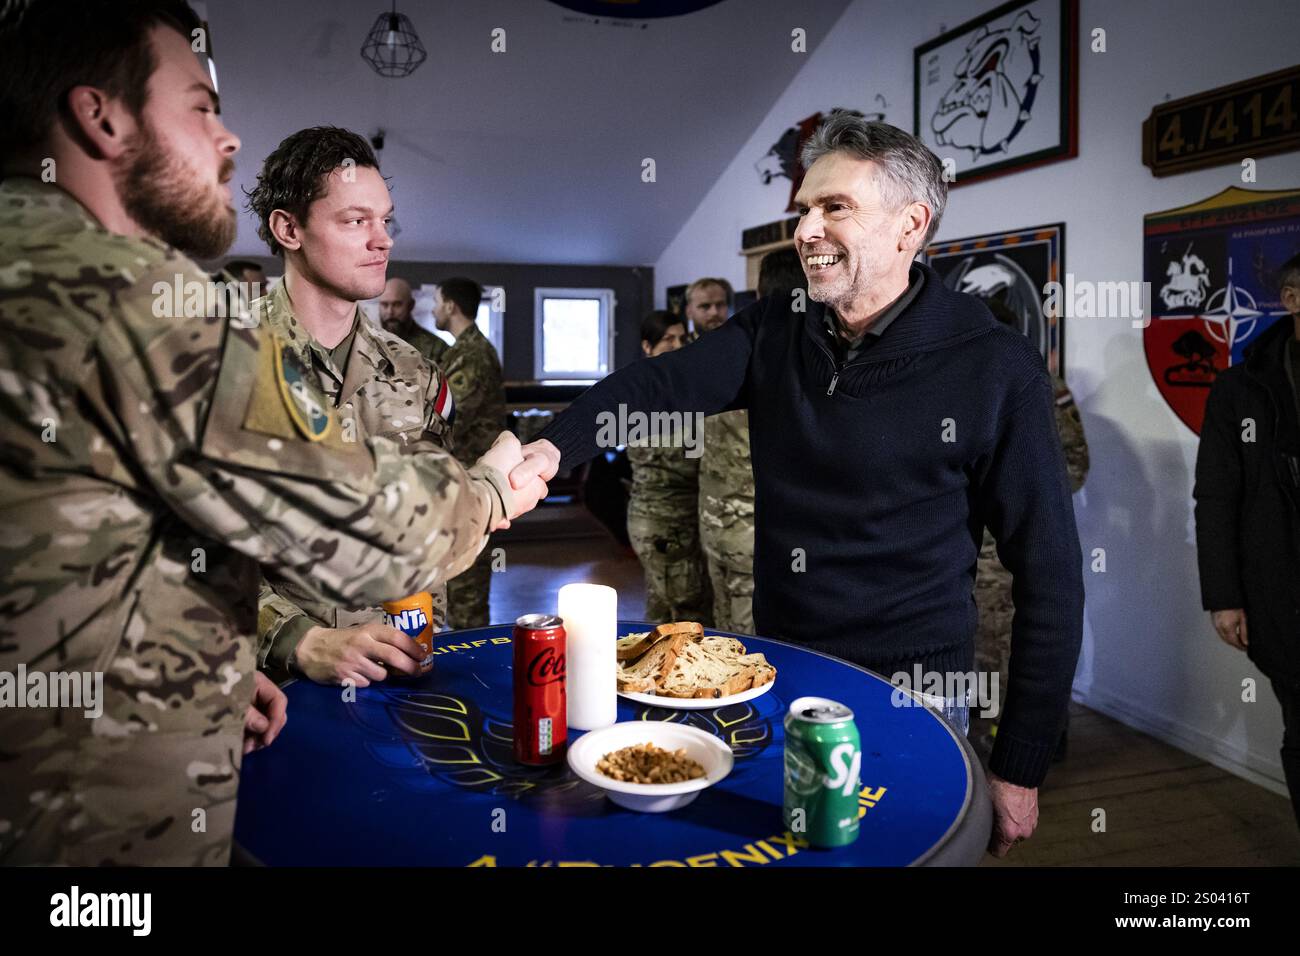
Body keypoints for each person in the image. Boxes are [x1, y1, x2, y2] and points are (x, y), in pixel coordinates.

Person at [0, 0, 546, 865]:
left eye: (386, 222)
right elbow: (373, 533)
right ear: (99, 116)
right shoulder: (130, 297)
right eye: (201, 106)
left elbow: (98, 544)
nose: (227, 139)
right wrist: (493, 493)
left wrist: (196, 671)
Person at [512, 115, 1084, 858]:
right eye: (804, 210)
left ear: (912, 224)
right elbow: (659, 384)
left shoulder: (995, 366)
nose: (806, 230)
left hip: (915, 694)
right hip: (782, 668)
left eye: (834, 208)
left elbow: (1052, 574)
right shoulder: (777, 329)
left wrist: (1021, 765)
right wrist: (550, 452)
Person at [246, 127, 499, 686]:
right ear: (289, 228)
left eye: (386, 221)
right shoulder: (221, 362)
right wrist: (296, 640)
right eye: (355, 221)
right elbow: (180, 556)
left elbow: (426, 531)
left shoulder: (417, 374)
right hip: (275, 688)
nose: (382, 240)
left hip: (404, 672)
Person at [1194, 251, 1300, 829]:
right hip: (1280, 592)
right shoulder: (1244, 388)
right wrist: (1225, 596)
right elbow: (1216, 497)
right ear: (1291, 301)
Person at [973, 298, 1090, 761]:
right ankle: (983, 751)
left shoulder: (1042, 385)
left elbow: (1076, 466)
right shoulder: (955, 387)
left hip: (1017, 547)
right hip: (969, 555)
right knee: (982, 655)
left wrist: (1023, 495)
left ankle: (1032, 745)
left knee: (1029, 644)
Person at [699, 250, 805, 633]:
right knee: (745, 644)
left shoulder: (734, 351)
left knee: (731, 637)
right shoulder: (797, 357)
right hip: (748, 531)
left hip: (726, 526)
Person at [627, 310, 713, 624]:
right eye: (668, 340)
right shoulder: (648, 392)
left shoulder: (677, 387)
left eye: (682, 338)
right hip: (664, 520)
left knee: (661, 607)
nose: (678, 345)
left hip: (674, 521)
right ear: (647, 347)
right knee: (687, 613)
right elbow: (676, 457)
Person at [436, 278, 509, 628]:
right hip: (461, 478)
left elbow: (449, 419)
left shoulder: (473, 354)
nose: (433, 310)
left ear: (450, 306)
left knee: (466, 596)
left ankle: (472, 667)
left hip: (471, 482)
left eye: (436, 302)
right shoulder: (463, 349)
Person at [379, 275, 447, 364]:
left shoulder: (435, 348)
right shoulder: (369, 343)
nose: (390, 312)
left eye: (397, 305)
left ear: (411, 305)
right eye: (384, 305)